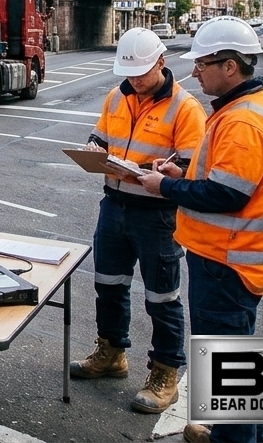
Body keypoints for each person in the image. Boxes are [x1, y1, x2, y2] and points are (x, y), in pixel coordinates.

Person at [136, 16, 263, 443]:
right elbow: (222, 175)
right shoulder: (242, 109)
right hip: (229, 258)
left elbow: (227, 194)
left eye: (203, 63)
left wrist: (165, 185)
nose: (194, 72)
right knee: (235, 361)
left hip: (228, 261)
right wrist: (183, 169)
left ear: (230, 66)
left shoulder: (242, 121)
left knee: (229, 365)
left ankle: (233, 438)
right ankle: (232, 434)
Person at [71, 28, 206, 414]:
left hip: (157, 214)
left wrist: (149, 171)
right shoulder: (117, 96)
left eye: (141, 74)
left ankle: (165, 373)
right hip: (114, 205)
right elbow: (100, 137)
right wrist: (94, 150)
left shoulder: (186, 108)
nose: (134, 81)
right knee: (108, 286)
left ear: (161, 63)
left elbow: (189, 166)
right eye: (128, 74)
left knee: (162, 299)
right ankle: (111, 352)